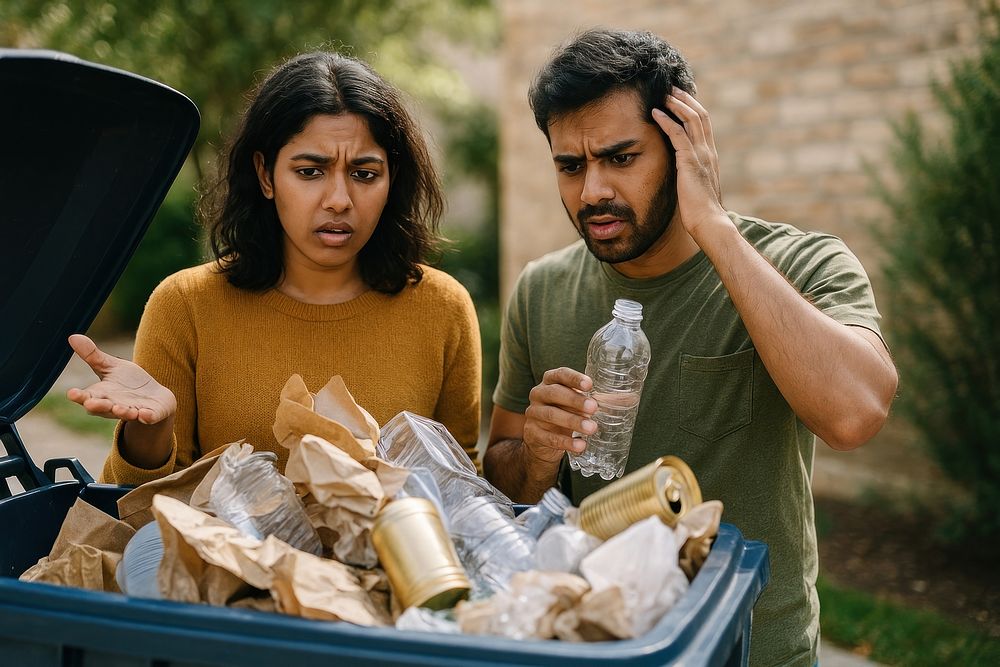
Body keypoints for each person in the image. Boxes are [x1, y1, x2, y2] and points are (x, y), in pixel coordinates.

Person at [484, 28, 898, 667]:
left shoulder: (802, 263)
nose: (592, 190)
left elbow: (854, 415)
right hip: (591, 646)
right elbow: (502, 483)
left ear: (685, 146)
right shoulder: (540, 290)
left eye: (622, 157)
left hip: (752, 649)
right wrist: (536, 453)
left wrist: (715, 228)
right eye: (571, 165)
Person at [67, 51, 482, 486]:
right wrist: (148, 432)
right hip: (222, 554)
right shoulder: (185, 306)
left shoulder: (442, 307)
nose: (339, 199)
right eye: (309, 171)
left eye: (363, 174)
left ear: (391, 178)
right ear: (265, 175)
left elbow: (464, 487)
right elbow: (138, 512)